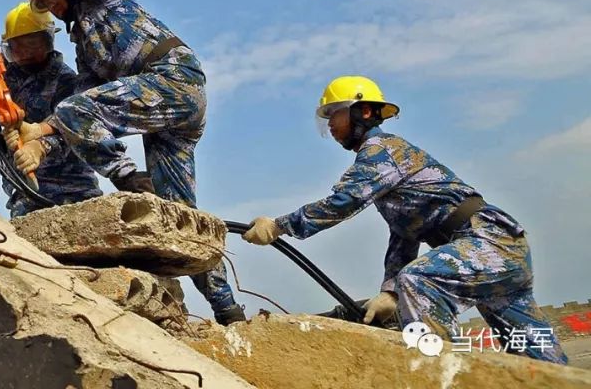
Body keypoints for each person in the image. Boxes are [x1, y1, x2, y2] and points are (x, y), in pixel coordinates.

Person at [0, 0, 245, 324]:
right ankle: (230, 311)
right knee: (179, 217)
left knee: (74, 111)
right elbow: (78, 115)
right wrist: (38, 139)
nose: (50, 6)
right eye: (40, 3)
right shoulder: (85, 53)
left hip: (173, 79)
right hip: (168, 117)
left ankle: (127, 176)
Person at [241, 76, 568, 364]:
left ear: (363, 112)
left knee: (418, 281)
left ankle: (442, 372)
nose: (330, 125)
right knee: (535, 355)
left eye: (335, 115)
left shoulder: (381, 150)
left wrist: (279, 226)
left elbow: (345, 201)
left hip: (486, 243)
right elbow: (404, 234)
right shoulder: (392, 170)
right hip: (500, 249)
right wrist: (390, 293)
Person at [0, 0, 106, 217]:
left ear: (46, 42)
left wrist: (40, 147)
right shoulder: (8, 73)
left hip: (71, 191)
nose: (26, 53)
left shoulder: (67, 82)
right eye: (18, 47)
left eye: (33, 45)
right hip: (24, 191)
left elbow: (73, 130)